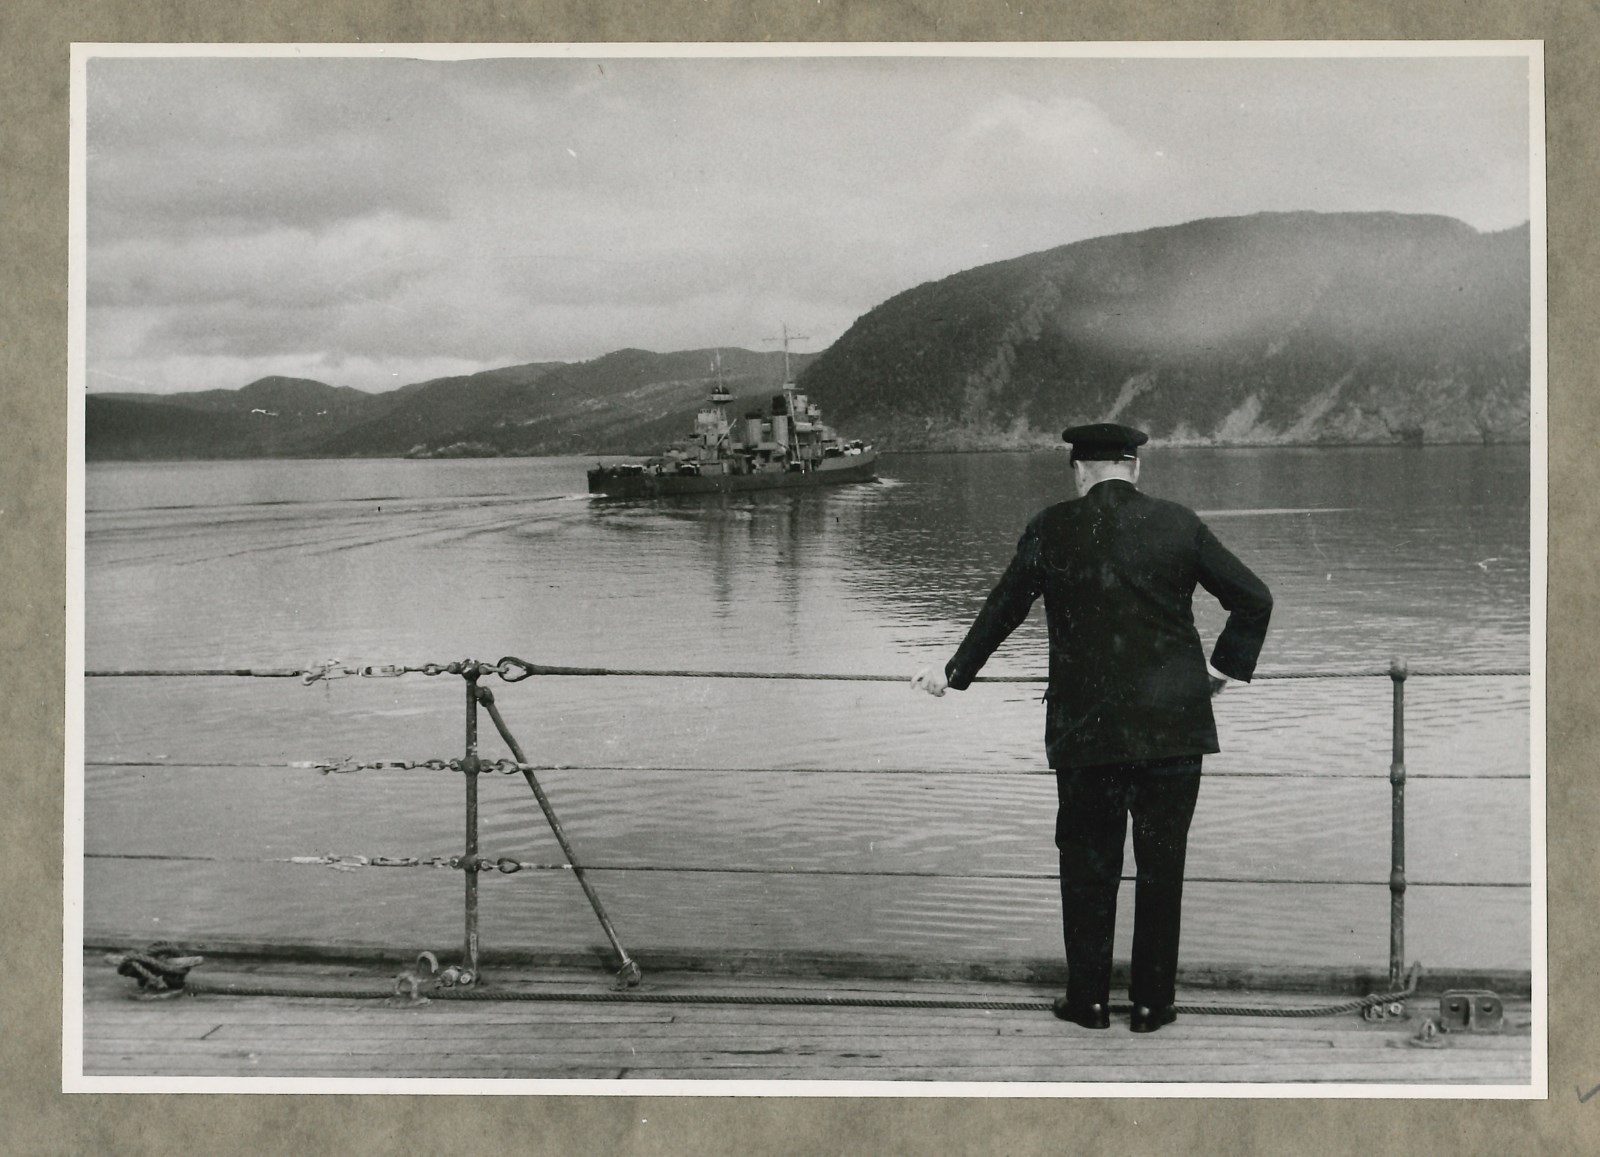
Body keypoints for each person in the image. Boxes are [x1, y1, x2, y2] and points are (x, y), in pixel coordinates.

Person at [912, 423, 1272, 1034]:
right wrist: (1218, 672)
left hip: (1086, 731)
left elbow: (1005, 607)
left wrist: (954, 672)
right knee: (1161, 871)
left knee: (1088, 870)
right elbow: (1255, 599)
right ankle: (1153, 1006)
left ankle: (1090, 1003)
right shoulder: (1180, 523)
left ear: (1079, 472)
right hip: (1173, 730)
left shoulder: (1051, 527)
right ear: (1136, 469)